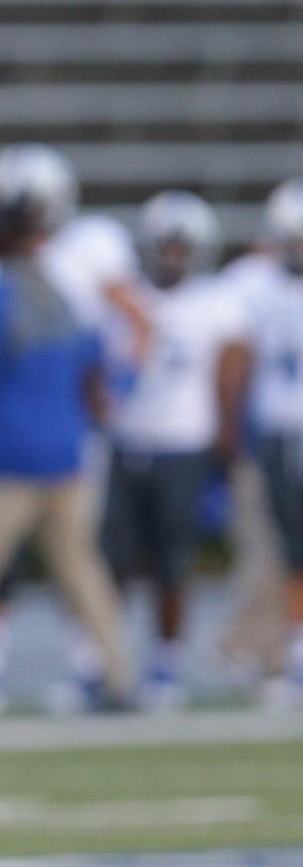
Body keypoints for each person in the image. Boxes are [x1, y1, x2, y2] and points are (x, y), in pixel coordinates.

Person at [0, 143, 134, 713]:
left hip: (9, 458)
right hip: (69, 455)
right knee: (80, 568)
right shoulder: (65, 298)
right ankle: (121, 674)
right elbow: (97, 373)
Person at [96, 191, 250, 709]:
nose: (173, 257)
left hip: (185, 445)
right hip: (127, 441)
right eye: (167, 246)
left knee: (171, 564)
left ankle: (166, 663)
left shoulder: (218, 302)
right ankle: (109, 660)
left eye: (183, 248)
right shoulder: (127, 297)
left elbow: (229, 383)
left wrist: (223, 458)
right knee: (111, 562)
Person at [228, 178, 303, 707]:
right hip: (272, 434)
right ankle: (279, 659)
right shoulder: (249, 283)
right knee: (276, 554)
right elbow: (231, 358)